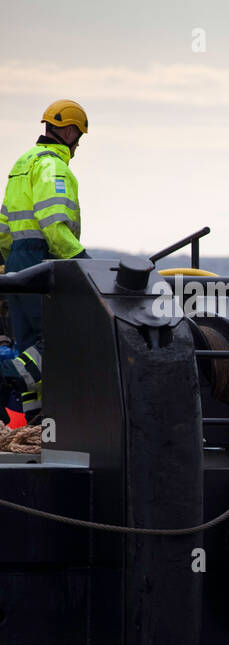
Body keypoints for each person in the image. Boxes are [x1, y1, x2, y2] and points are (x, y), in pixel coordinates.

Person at [0, 99, 90, 423]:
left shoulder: (22, 164)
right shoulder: (54, 167)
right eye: (78, 136)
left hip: (15, 266)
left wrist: (9, 266)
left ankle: (39, 424)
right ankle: (6, 373)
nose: (77, 145)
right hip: (42, 263)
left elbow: (3, 229)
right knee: (59, 341)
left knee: (30, 348)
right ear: (67, 131)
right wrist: (83, 261)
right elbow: (54, 226)